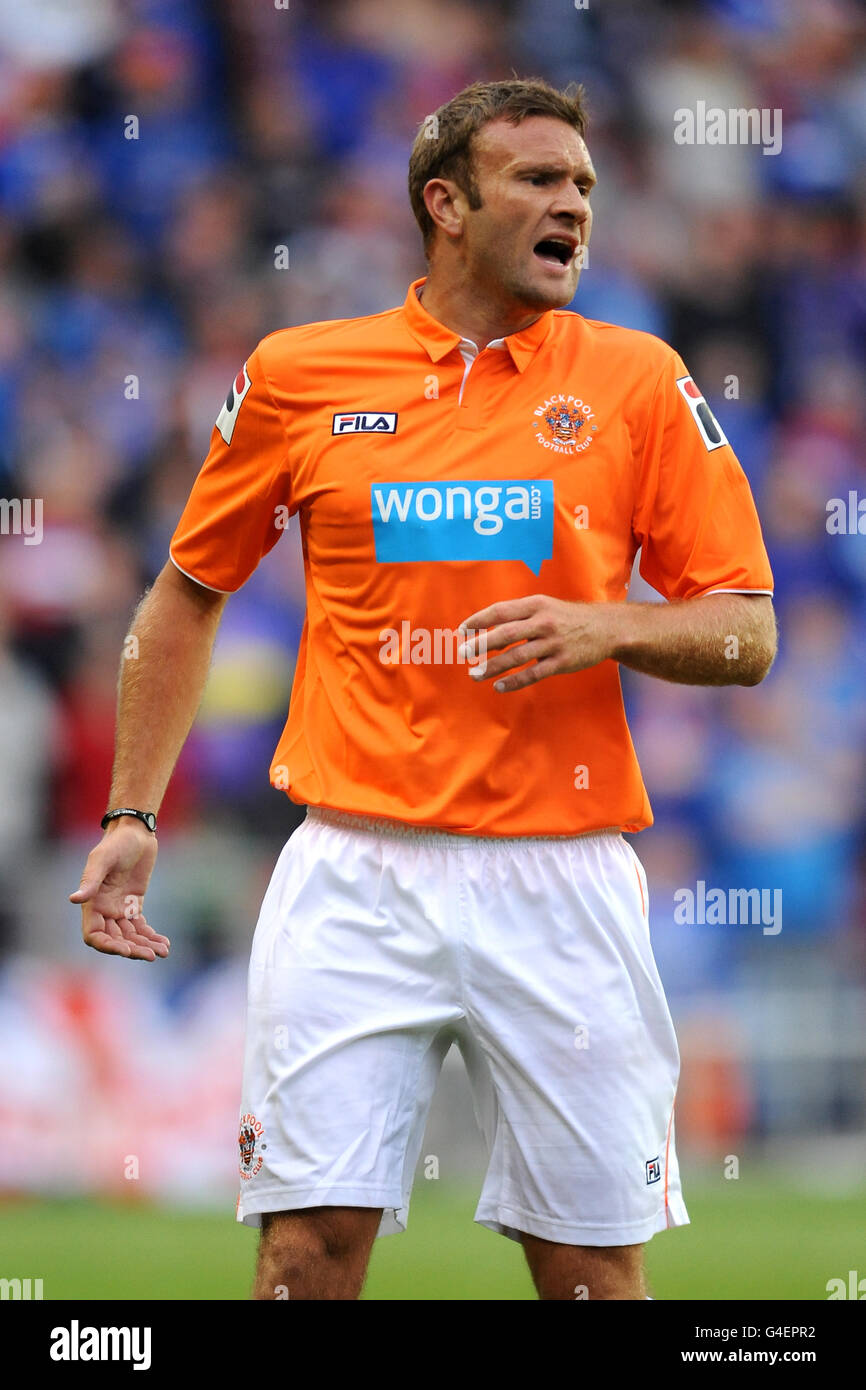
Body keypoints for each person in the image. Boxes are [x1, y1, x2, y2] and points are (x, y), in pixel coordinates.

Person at [70, 78, 776, 1301]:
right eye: (540, 181)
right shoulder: (297, 373)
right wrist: (132, 811)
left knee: (588, 1274)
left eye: (584, 187)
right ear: (444, 203)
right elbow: (187, 592)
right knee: (302, 1255)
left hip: (561, 873)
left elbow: (746, 631)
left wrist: (601, 625)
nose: (574, 206)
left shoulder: (637, 379)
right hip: (353, 871)